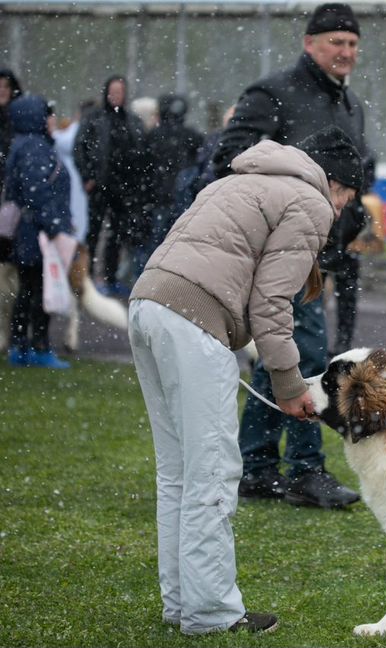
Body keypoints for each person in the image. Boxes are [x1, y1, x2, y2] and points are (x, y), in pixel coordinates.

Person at [128, 127, 362, 634]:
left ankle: (182, 604)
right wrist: (289, 384)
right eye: (346, 195)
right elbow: (272, 303)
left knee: (179, 472)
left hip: (147, 304)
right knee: (211, 472)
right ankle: (212, 614)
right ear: (334, 181)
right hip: (194, 319)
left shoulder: (236, 181)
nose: (342, 209)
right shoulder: (310, 201)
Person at [214, 2, 368, 506]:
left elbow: (351, 177)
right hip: (276, 251)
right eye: (335, 42)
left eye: (351, 43)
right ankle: (305, 470)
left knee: (275, 359)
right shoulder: (273, 93)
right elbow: (228, 159)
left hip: (320, 253)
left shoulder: (351, 106)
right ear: (309, 43)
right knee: (307, 354)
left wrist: (348, 227)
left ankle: (255, 466)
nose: (345, 52)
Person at [5, 94, 74, 368]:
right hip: (39, 233)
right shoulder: (35, 147)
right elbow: (39, 193)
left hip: (29, 230)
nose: (52, 120)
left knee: (28, 289)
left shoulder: (24, 145)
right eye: (48, 115)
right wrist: (56, 226)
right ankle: (39, 346)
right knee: (42, 289)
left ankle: (20, 346)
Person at [74, 75, 149, 298]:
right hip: (99, 185)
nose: (116, 96)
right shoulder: (94, 118)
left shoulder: (133, 121)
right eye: (113, 91)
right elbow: (80, 148)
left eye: (120, 91)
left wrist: (137, 183)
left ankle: (110, 277)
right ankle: (85, 277)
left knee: (117, 235)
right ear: (106, 92)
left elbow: (141, 154)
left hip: (123, 188)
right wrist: (88, 177)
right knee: (93, 233)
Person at [143, 94, 204, 259]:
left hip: (160, 198)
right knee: (179, 245)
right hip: (181, 198)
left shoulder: (153, 136)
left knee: (156, 246)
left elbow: (144, 169)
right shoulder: (192, 136)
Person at [0, 69, 23, 355]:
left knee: (9, 275)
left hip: (10, 208)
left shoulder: (16, 125)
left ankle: (9, 333)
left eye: (6, 87)